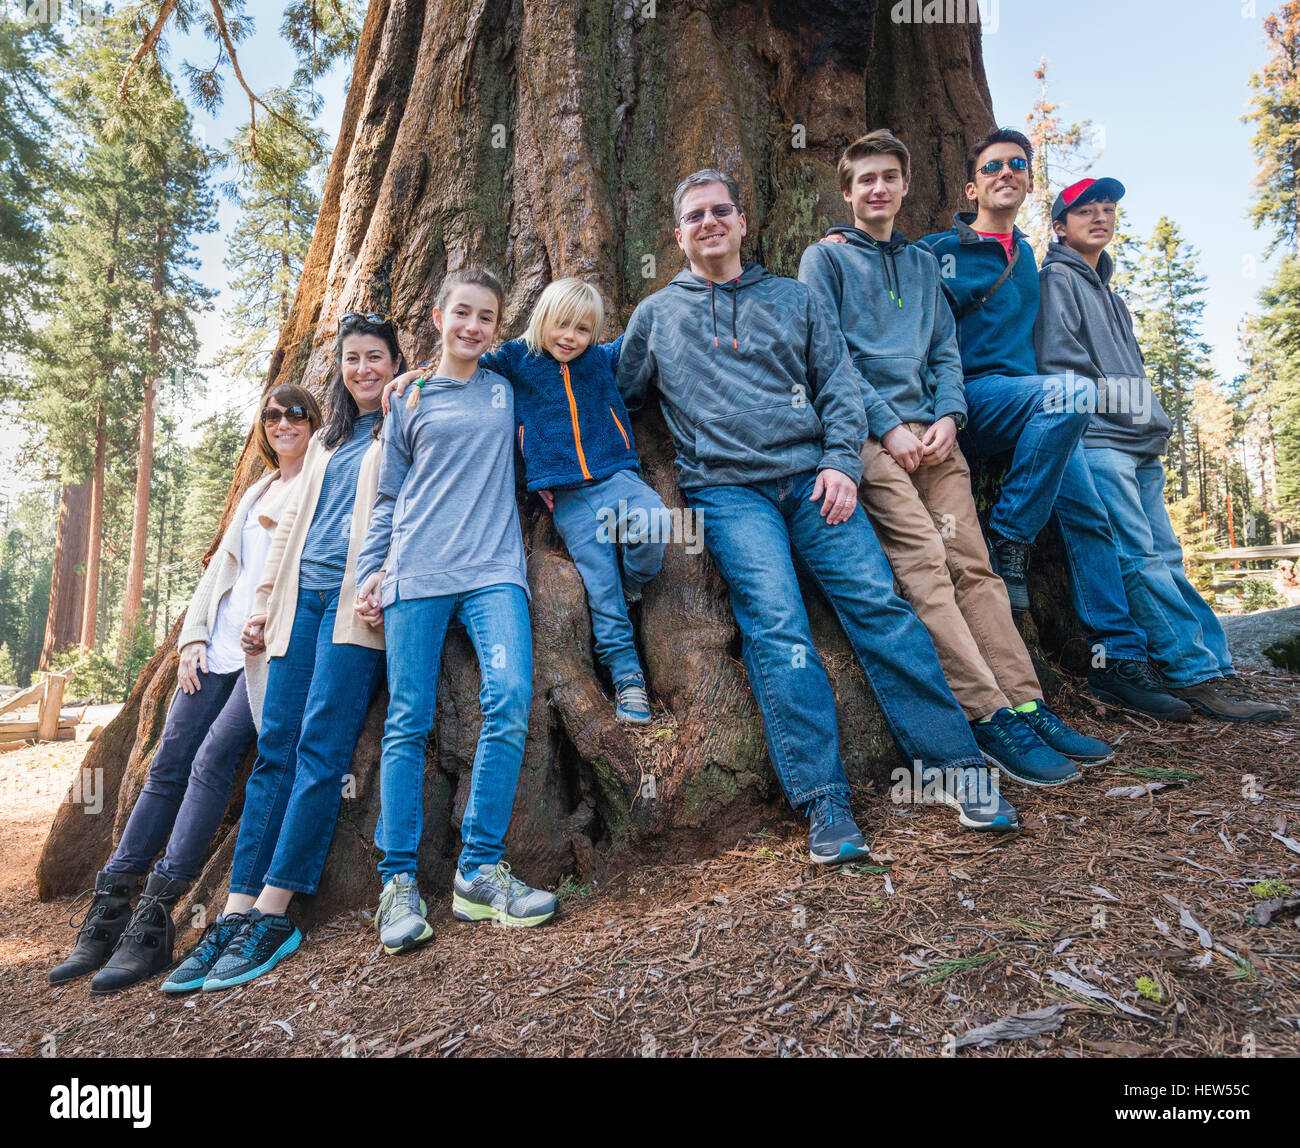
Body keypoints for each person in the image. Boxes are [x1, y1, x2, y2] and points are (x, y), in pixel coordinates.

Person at [617, 168, 1019, 864]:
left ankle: (957, 768)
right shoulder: (655, 317)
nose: (709, 223)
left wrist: (839, 462)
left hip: (815, 481)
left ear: (743, 224)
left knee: (880, 606)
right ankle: (825, 801)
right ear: (678, 235)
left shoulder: (795, 300)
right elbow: (599, 385)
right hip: (730, 494)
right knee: (778, 626)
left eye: (721, 212)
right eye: (694, 216)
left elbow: (838, 387)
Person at [801, 130, 1113, 786]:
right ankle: (986, 713)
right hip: (868, 438)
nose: (878, 188)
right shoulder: (824, 261)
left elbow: (946, 350)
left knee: (975, 568)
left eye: (889, 176)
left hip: (936, 436)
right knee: (926, 569)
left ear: (905, 186)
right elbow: (826, 354)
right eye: (865, 180)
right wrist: (888, 429)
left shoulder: (921, 264)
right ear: (848, 193)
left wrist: (949, 416)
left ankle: (1027, 701)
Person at [48, 386, 320, 993]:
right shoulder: (258, 490)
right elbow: (221, 571)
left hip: (265, 654)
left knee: (211, 762)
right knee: (167, 764)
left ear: (315, 423)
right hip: (214, 650)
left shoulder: (318, 480)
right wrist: (192, 638)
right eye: (272, 416)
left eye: (296, 414)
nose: (283, 424)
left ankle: (155, 921)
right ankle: (110, 911)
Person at [918, 128, 1192, 722]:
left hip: (1042, 413)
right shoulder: (939, 249)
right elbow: (881, 263)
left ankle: (1117, 660)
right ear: (973, 185)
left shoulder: (1037, 267)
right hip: (973, 402)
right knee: (1072, 394)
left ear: (1029, 182)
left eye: (1018, 164)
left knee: (1092, 518)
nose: (1006, 172)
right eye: (993, 166)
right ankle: (1009, 535)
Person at [162, 313, 396, 992]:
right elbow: (291, 527)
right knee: (274, 749)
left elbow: (409, 509)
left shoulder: (402, 423)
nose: (363, 370)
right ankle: (233, 913)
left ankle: (276, 909)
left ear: (393, 363)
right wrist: (261, 607)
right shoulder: (329, 438)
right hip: (299, 606)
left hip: (354, 610)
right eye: (353, 359)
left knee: (321, 750)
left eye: (376, 357)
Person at [1034, 177, 1289, 721]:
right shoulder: (1057, 279)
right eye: (1085, 212)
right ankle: (1191, 675)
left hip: (1140, 442)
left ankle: (1213, 669)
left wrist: (1150, 418)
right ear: (1059, 226)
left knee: (1166, 558)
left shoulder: (1110, 293)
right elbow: (1061, 367)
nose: (1100, 218)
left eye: (1108, 210)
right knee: (1140, 559)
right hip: (1100, 440)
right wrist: (1125, 410)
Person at [356, 269, 555, 955]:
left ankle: (478, 871)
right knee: (408, 720)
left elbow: (568, 349)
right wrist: (371, 572)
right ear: (438, 316)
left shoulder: (506, 387)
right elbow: (388, 499)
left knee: (510, 698)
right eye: (461, 313)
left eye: (486, 317)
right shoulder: (407, 399)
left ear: (497, 328)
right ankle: (399, 882)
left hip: (495, 573)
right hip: (415, 574)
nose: (472, 326)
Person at [391, 277, 668, 724]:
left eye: (582, 330)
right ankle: (627, 677)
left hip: (617, 479)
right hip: (569, 500)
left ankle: (635, 580)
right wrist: (419, 372)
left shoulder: (601, 360)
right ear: (542, 320)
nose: (569, 338)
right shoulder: (516, 361)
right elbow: (460, 360)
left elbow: (642, 336)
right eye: (561, 325)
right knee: (601, 591)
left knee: (654, 524)